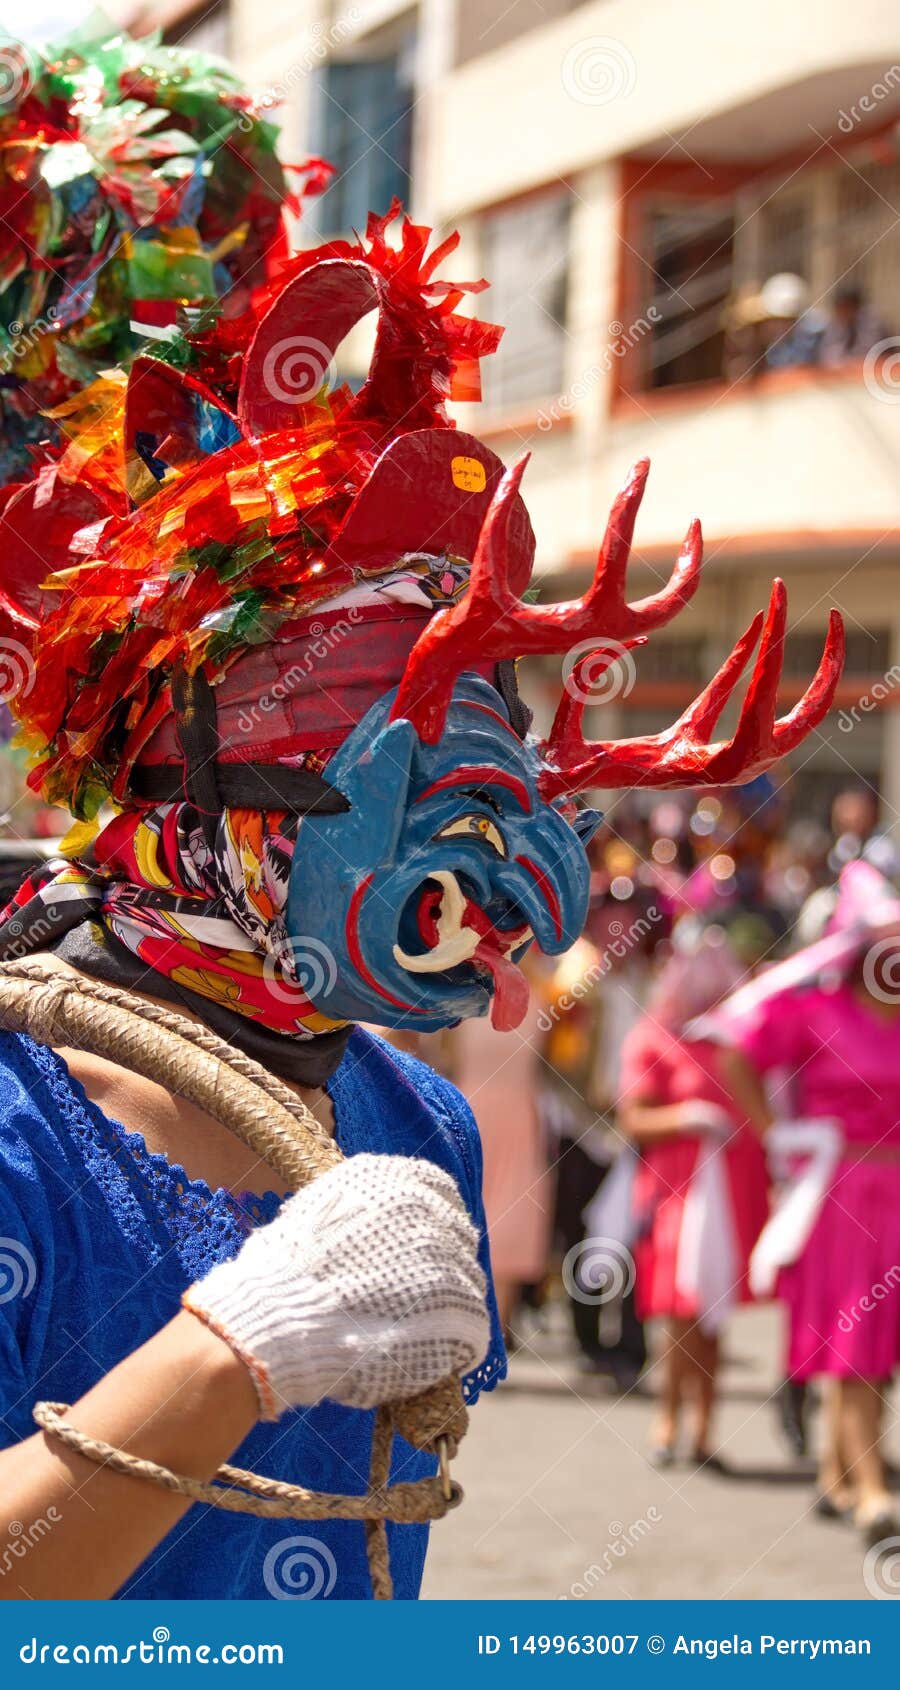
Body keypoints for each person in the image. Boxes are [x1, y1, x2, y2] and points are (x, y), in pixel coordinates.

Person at [0, 27, 843, 1599]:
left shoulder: (417, 1113)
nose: (479, 790)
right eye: (373, 716)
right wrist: (227, 1358)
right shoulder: (18, 1110)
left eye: (484, 715)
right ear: (175, 761)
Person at [714, 862, 900, 1546]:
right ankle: (873, 1491)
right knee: (858, 1343)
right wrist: (773, 1135)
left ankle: (837, 1470)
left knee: (880, 1345)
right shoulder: (815, 1010)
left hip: (897, 1193)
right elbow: (735, 1046)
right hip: (843, 1193)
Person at [617, 934, 768, 1466]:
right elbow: (632, 1118)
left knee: (714, 1313)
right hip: (674, 1192)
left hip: (730, 1190)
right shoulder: (651, 1038)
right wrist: (684, 1119)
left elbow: (765, 1109)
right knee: (679, 1309)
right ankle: (669, 1420)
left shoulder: (735, 1042)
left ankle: (704, 1428)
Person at [821, 284, 889, 366]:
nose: (843, 311)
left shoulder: (873, 325)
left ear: (857, 306)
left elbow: (869, 356)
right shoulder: (834, 326)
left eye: (847, 306)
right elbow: (828, 356)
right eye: (840, 307)